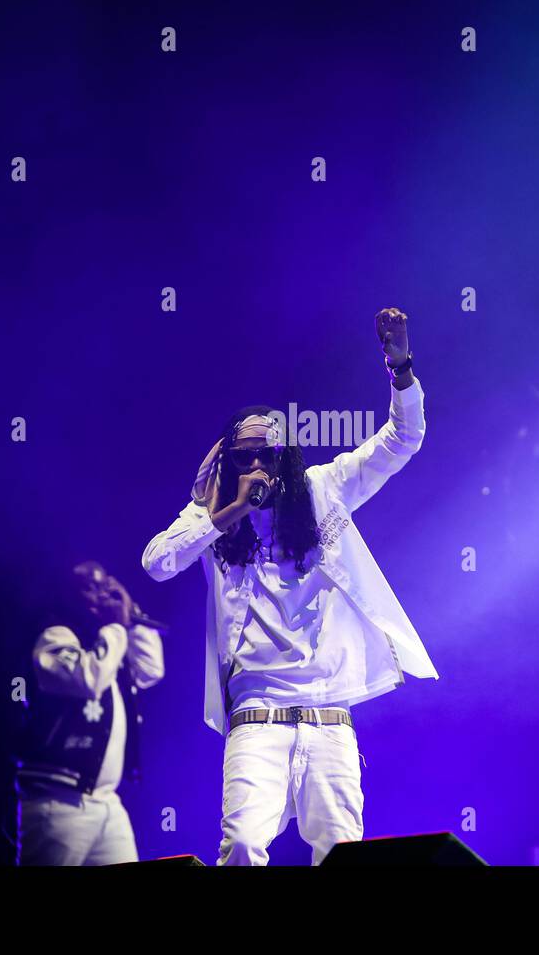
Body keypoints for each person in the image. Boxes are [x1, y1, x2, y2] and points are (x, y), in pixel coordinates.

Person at [141, 307, 438, 865]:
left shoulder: (323, 491)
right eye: (245, 455)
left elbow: (403, 439)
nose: (258, 464)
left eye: (267, 453)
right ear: (231, 461)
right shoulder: (211, 514)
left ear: (285, 455)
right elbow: (156, 562)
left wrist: (400, 367)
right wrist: (222, 514)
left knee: (343, 854)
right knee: (245, 846)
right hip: (258, 718)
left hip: (329, 717)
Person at [15, 562, 163, 865]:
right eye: (91, 587)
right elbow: (88, 678)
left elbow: (150, 669)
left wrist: (130, 613)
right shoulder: (55, 637)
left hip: (107, 801)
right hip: (58, 802)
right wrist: (117, 628)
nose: (103, 594)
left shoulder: (108, 645)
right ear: (69, 595)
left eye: (106, 584)